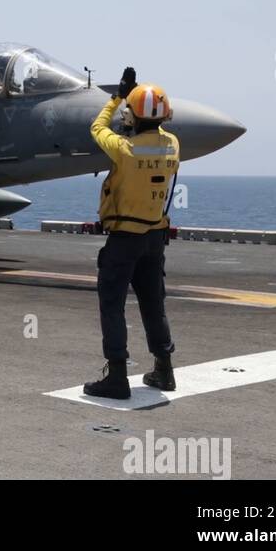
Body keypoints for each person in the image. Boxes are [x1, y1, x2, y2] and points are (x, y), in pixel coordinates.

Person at [83, 67, 180, 399]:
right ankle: (164, 369)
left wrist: (117, 97)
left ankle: (117, 377)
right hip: (155, 238)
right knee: (154, 303)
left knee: (112, 304)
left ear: (135, 116)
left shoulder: (124, 150)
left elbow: (97, 127)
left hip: (125, 238)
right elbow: (155, 134)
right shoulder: (173, 145)